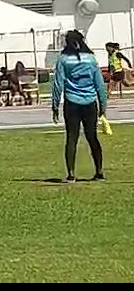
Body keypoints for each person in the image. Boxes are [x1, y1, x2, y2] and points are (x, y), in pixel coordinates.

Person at [51, 30, 106, 182]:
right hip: (90, 102)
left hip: (72, 103)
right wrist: (103, 104)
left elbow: (58, 84)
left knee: (71, 138)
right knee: (92, 137)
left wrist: (55, 105)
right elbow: (99, 83)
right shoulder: (91, 59)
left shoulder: (63, 59)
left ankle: (71, 174)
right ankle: (99, 171)